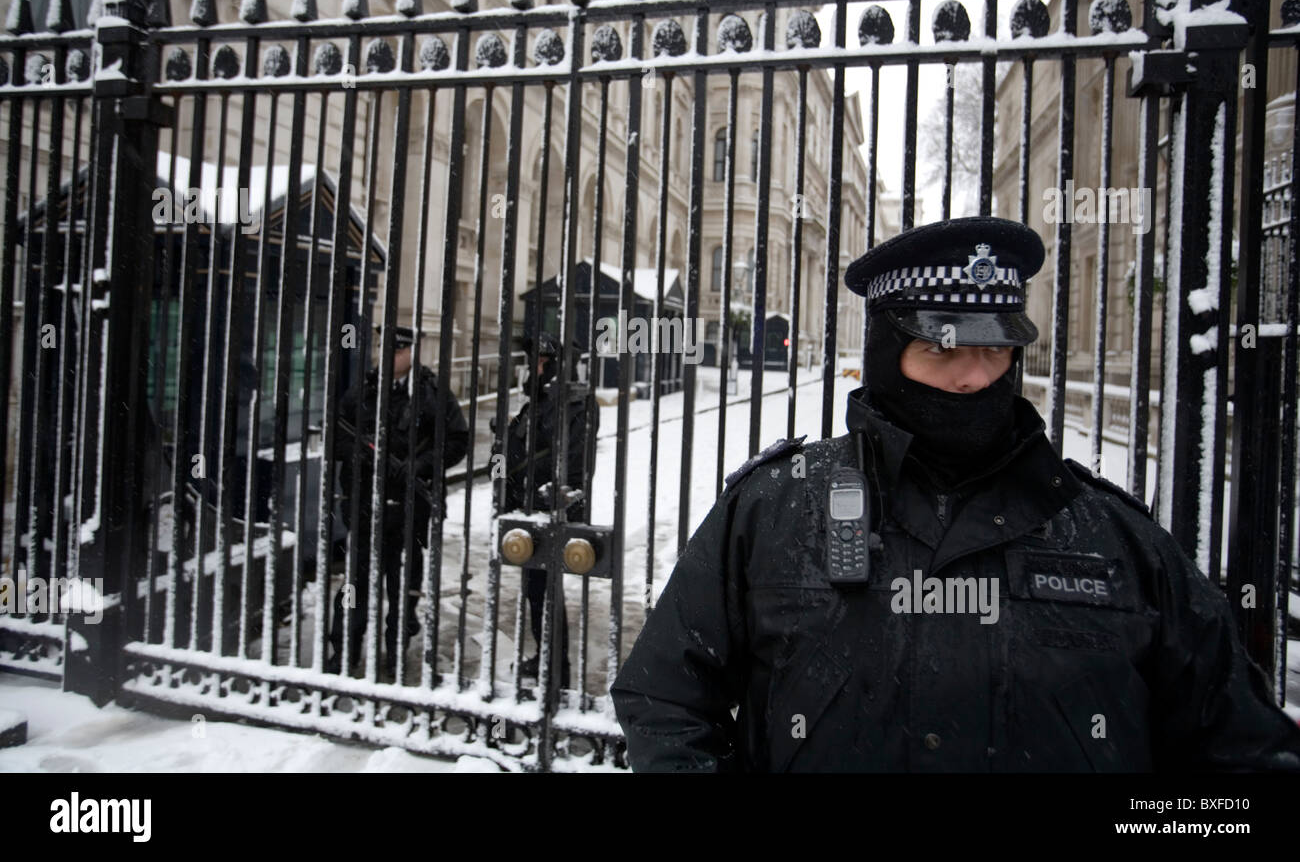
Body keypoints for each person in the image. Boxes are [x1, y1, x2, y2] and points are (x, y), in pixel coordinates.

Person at [611, 216, 1300, 772]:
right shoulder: (774, 509)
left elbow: (1241, 744)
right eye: (943, 351)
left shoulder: (1109, 533)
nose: (975, 377)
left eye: (995, 350)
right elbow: (666, 695)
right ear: (889, 353)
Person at [327, 325, 469, 678]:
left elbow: (456, 441)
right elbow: (337, 437)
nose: (389, 357)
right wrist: (364, 458)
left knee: (404, 588)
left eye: (397, 351)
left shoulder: (433, 393)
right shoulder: (363, 391)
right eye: (383, 349)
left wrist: (418, 465)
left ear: (410, 352)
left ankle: (396, 651)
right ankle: (344, 650)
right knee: (354, 585)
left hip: (411, 509)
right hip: (366, 505)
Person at [492, 333, 598, 689]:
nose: (531, 368)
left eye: (538, 361)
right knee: (536, 592)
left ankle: (556, 670)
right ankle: (547, 659)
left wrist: (549, 496)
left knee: (546, 592)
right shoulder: (539, 401)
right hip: (529, 509)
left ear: (554, 363)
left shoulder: (573, 403)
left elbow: (567, 460)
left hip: (550, 510)